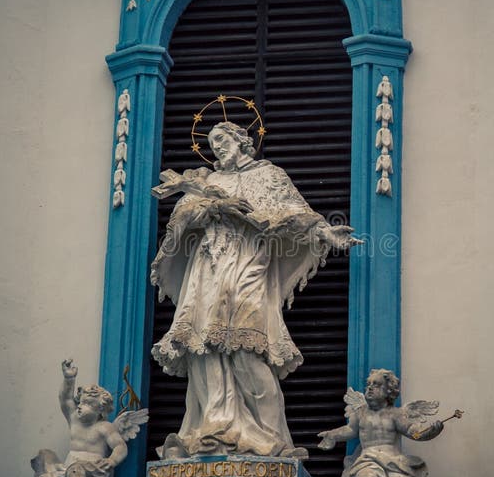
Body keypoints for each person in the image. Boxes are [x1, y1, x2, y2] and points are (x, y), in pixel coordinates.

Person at [151, 121, 357, 458]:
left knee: (248, 349)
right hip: (209, 267)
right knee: (204, 347)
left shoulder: (269, 175)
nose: (217, 146)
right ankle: (212, 429)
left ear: (241, 140)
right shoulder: (207, 181)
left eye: (222, 138)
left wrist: (326, 232)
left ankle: (272, 441)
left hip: (249, 263)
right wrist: (213, 207)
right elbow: (181, 218)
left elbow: (295, 211)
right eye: (212, 142)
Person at [9, 359, 147, 477]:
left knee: (76, 471)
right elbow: (65, 399)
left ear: (100, 409)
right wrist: (69, 379)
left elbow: (120, 447)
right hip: (66, 472)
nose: (80, 406)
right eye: (80, 402)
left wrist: (112, 461)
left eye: (87, 404)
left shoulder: (104, 428)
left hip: (93, 474)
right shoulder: (74, 420)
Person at [317, 369, 443, 477]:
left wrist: (428, 433)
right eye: (368, 384)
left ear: (389, 390)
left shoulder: (396, 414)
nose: (370, 387)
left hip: (394, 462)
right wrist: (332, 435)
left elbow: (412, 431)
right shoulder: (361, 413)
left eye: (376, 384)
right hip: (368, 461)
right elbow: (350, 430)